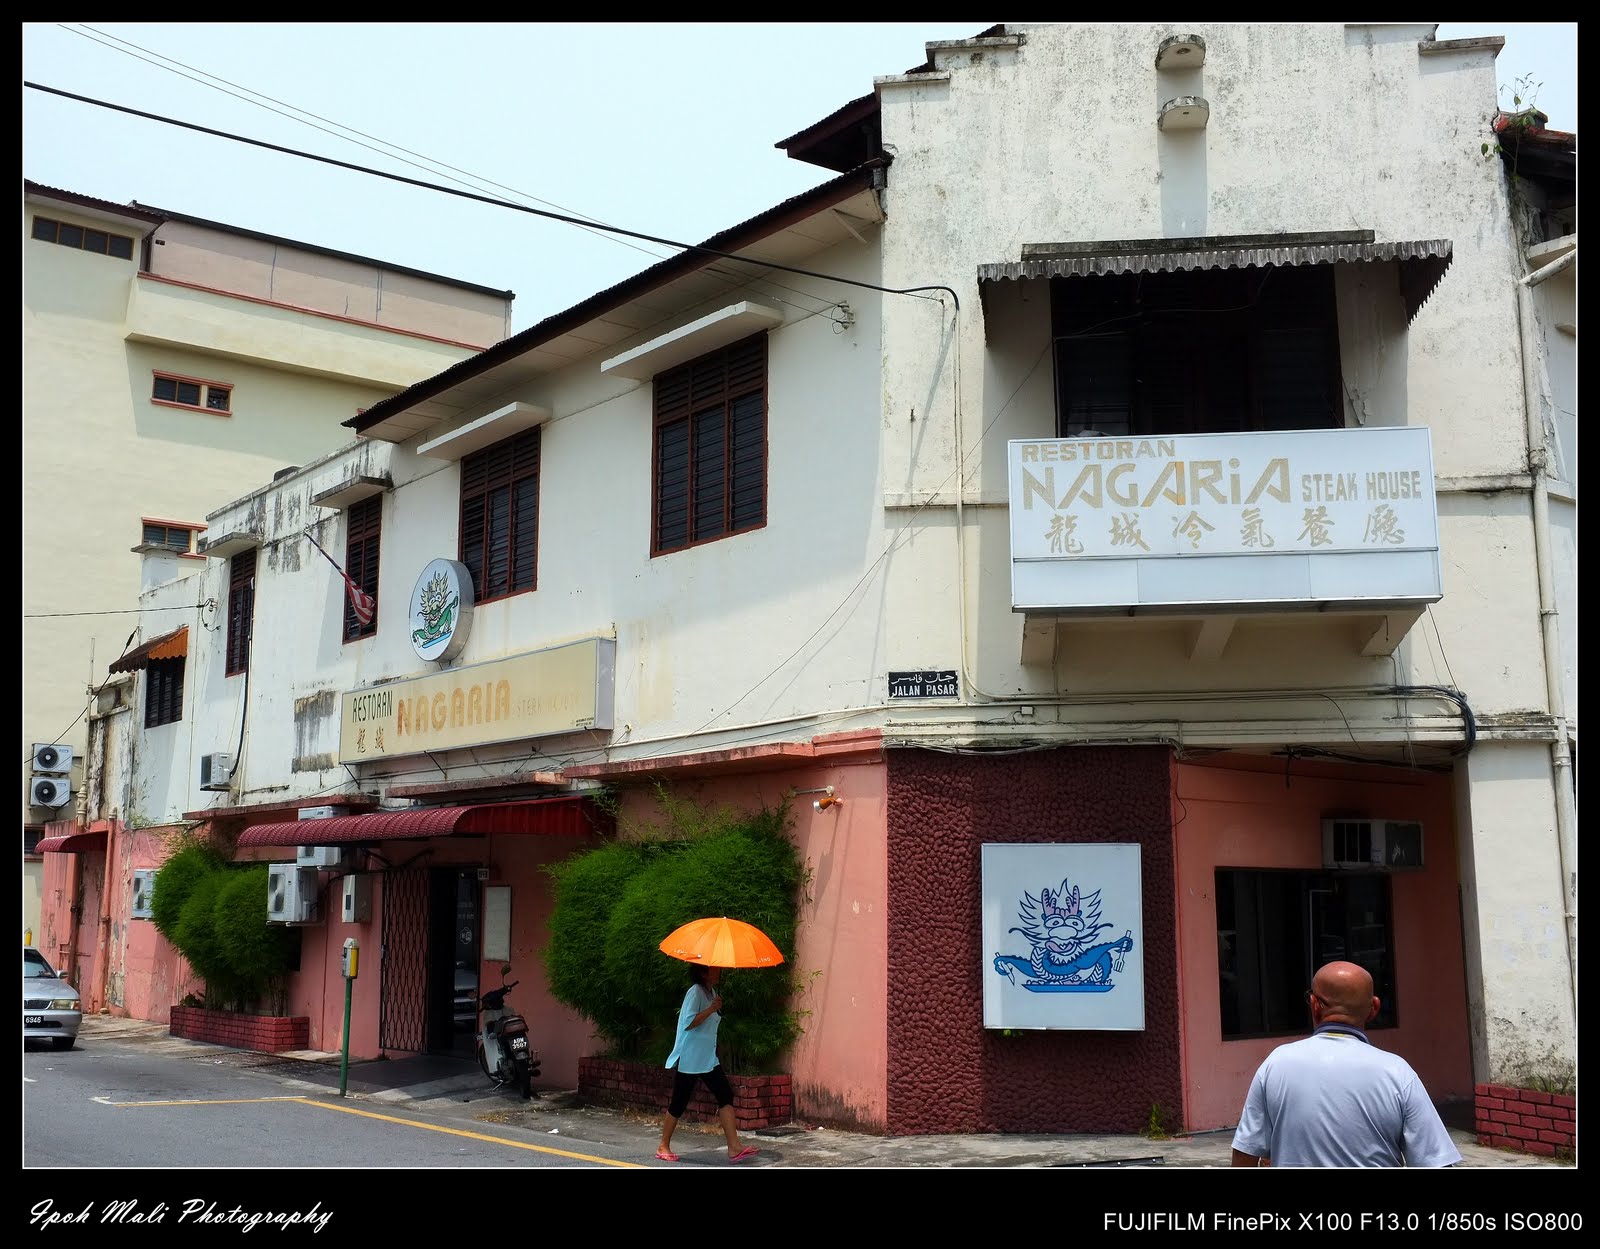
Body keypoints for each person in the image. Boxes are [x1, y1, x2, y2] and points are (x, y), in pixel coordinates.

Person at [1231, 959, 1462, 1168]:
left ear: (1314, 1004)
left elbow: (1245, 1155)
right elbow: (1436, 1161)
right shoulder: (1397, 1072)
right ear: (1374, 1008)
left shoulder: (1276, 1063)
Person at [656, 963, 759, 1163]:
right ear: (703, 972)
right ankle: (663, 1145)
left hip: (708, 1058)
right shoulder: (695, 993)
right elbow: (688, 1022)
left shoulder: (710, 992)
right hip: (691, 1058)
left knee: (725, 1094)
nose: (718, 971)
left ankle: (734, 1147)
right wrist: (712, 1009)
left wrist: (714, 1006)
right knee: (679, 1101)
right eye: (714, 968)